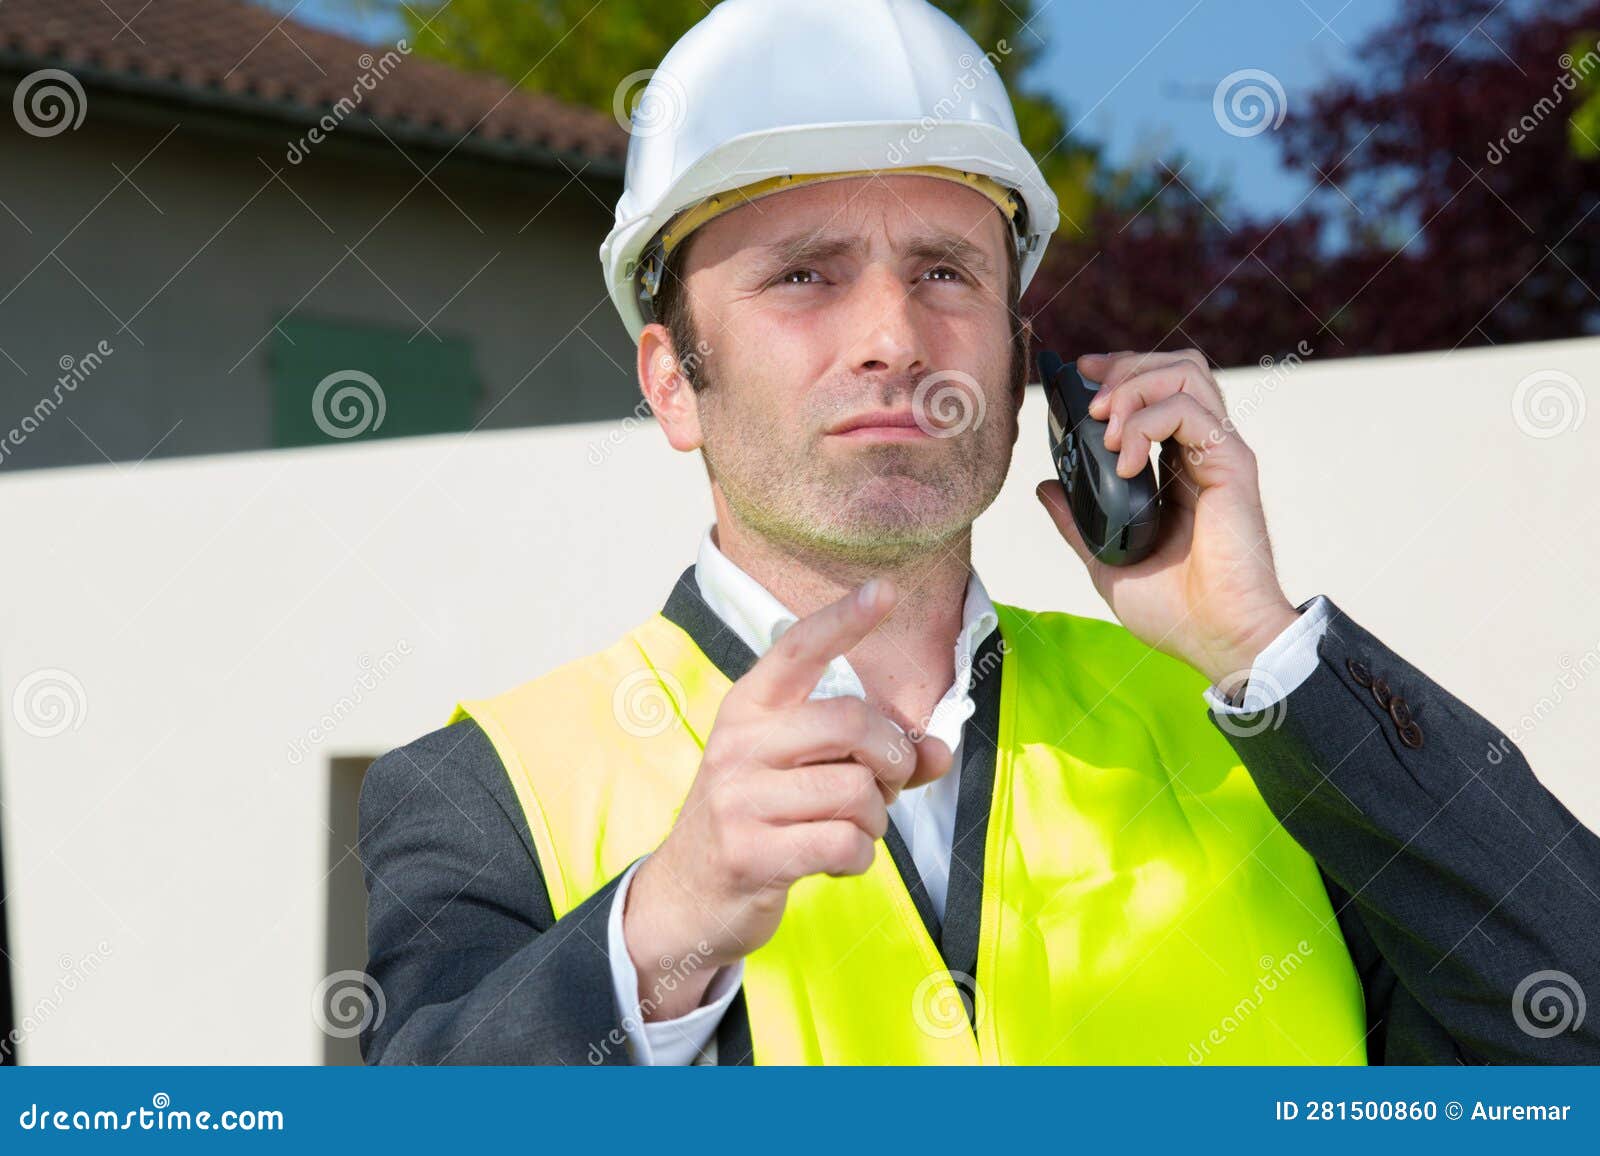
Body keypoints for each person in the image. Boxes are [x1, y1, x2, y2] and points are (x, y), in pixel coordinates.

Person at [357, 0, 1600, 1065]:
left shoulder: (1262, 741)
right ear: (673, 382)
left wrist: (1262, 647)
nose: (892, 337)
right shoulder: (485, 791)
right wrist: (662, 930)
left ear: (1021, 368)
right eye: (804, 274)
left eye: (945, 272)